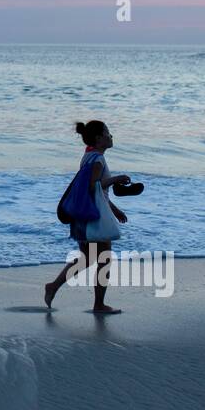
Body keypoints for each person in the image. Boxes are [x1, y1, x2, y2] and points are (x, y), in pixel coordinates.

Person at [44, 120, 131, 314]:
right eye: (108, 133)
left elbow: (96, 192)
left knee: (88, 258)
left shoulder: (88, 157)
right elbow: (93, 187)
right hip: (93, 216)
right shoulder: (98, 159)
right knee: (103, 259)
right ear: (99, 138)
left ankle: (53, 286)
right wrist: (116, 179)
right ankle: (98, 304)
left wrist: (114, 209)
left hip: (83, 215)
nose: (111, 136)